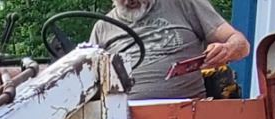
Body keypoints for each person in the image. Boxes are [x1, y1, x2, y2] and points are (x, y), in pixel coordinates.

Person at [91, 0, 251, 100]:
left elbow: (241, 44)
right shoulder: (102, 27)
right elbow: (88, 80)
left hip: (189, 113)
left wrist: (226, 49)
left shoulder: (184, 4)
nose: (129, 1)